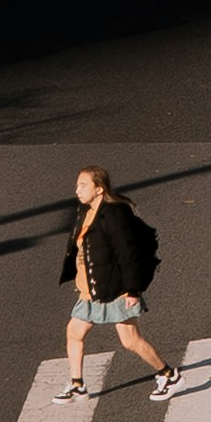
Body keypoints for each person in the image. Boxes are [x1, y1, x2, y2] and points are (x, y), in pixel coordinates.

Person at [63, 169, 177, 402]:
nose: (77, 190)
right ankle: (77, 384)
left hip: (115, 289)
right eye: (77, 185)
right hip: (92, 290)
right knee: (74, 332)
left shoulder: (114, 214)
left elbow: (128, 254)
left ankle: (169, 374)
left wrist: (133, 291)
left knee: (130, 340)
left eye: (83, 185)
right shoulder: (86, 211)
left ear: (99, 188)